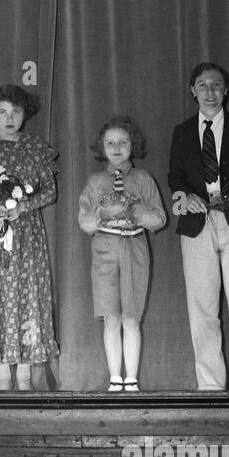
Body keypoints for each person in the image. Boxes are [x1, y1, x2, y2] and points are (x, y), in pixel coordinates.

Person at [168, 62, 229, 390]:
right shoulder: (181, 133)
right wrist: (187, 196)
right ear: (193, 91)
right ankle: (210, 389)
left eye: (217, 85)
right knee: (202, 312)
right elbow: (175, 177)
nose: (210, 92)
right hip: (197, 227)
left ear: (226, 91)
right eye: (203, 85)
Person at [0, 84, 60, 390]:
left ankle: (26, 372)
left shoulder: (34, 146)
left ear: (24, 114)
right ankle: (3, 369)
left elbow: (50, 190)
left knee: (30, 292)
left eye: (16, 112)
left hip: (27, 232)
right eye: (2, 112)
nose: (9, 118)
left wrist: (23, 207)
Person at [78, 115, 166, 392]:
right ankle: (116, 378)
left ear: (133, 145)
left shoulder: (143, 179)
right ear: (102, 147)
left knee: (131, 317)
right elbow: (85, 222)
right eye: (110, 143)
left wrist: (140, 213)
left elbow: (160, 218)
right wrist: (103, 214)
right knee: (111, 317)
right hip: (105, 250)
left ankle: (132, 380)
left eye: (123, 142)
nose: (117, 148)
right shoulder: (96, 183)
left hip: (135, 248)